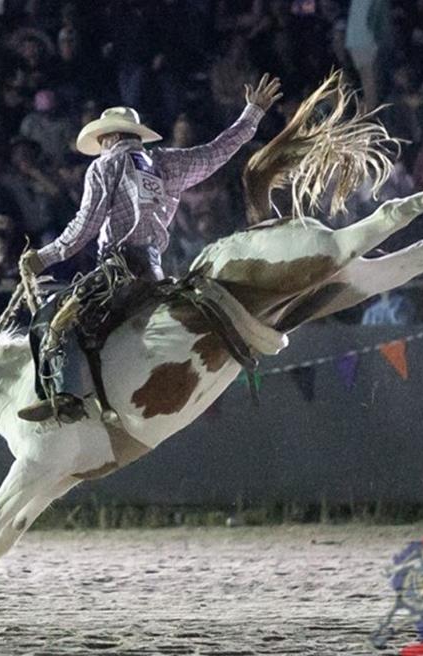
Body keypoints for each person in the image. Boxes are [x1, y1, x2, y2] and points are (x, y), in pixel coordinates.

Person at [15, 74, 282, 423]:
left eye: (102, 140)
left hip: (117, 272)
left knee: (51, 317)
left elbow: (84, 228)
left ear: (109, 137)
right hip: (154, 271)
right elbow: (217, 151)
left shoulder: (105, 166)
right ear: (134, 135)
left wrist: (43, 258)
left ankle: (64, 397)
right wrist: (252, 114)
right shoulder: (166, 163)